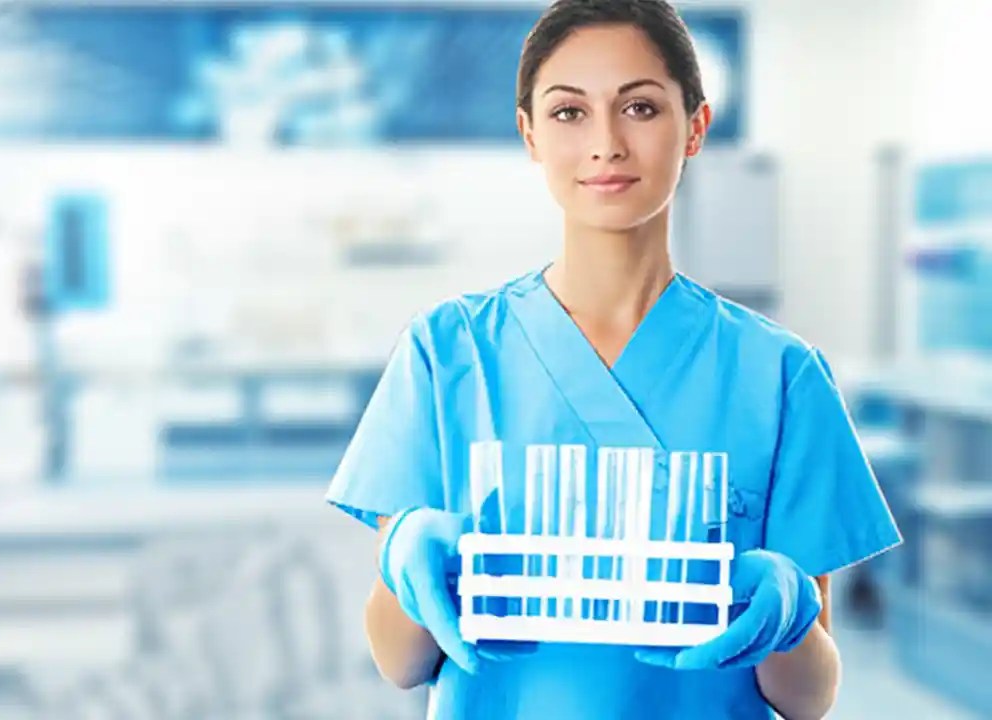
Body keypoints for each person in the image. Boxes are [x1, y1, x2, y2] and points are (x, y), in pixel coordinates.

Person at [324, 1, 900, 718]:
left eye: (640, 107)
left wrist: (786, 620)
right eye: (569, 113)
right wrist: (405, 557)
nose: (606, 143)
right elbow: (400, 661)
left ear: (695, 128)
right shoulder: (447, 352)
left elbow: (809, 699)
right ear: (529, 134)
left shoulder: (781, 375)